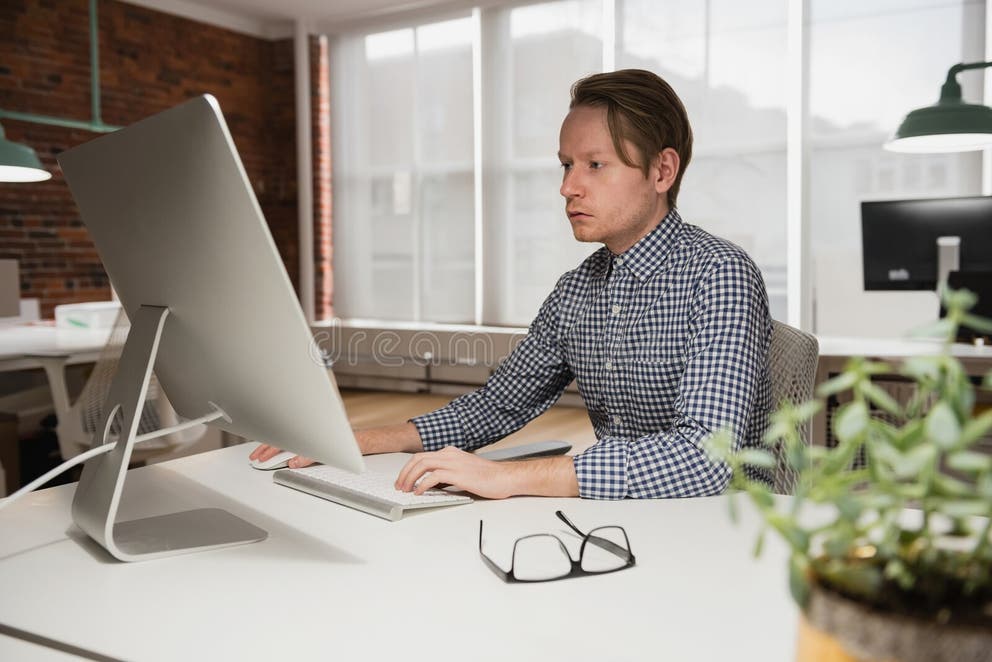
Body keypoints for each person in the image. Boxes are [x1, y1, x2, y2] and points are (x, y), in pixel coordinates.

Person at [251, 68, 772, 500]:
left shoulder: (720, 274)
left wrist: (507, 476)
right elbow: (499, 404)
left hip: (719, 530)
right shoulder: (577, 290)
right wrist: (356, 441)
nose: (568, 187)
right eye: (567, 164)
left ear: (662, 171)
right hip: (627, 516)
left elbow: (706, 460)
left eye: (595, 165)